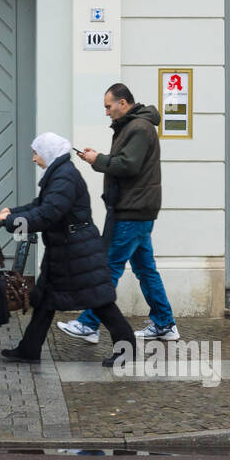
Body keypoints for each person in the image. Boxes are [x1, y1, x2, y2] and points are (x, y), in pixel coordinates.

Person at [0, 132, 136, 367]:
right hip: (65, 251)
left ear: (48, 152)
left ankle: (126, 351)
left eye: (36, 152)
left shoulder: (64, 178)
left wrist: (12, 222)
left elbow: (48, 214)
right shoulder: (58, 175)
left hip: (77, 252)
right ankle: (29, 350)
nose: (33, 158)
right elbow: (40, 205)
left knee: (101, 302)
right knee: (44, 301)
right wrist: (13, 212)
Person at [58, 83, 179, 345]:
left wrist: (97, 159)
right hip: (137, 209)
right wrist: (98, 158)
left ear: (123, 103)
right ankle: (164, 322)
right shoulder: (134, 126)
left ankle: (89, 323)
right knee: (146, 269)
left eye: (108, 106)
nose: (106, 112)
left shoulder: (138, 128)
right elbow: (124, 162)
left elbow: (128, 165)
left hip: (132, 210)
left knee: (108, 268)